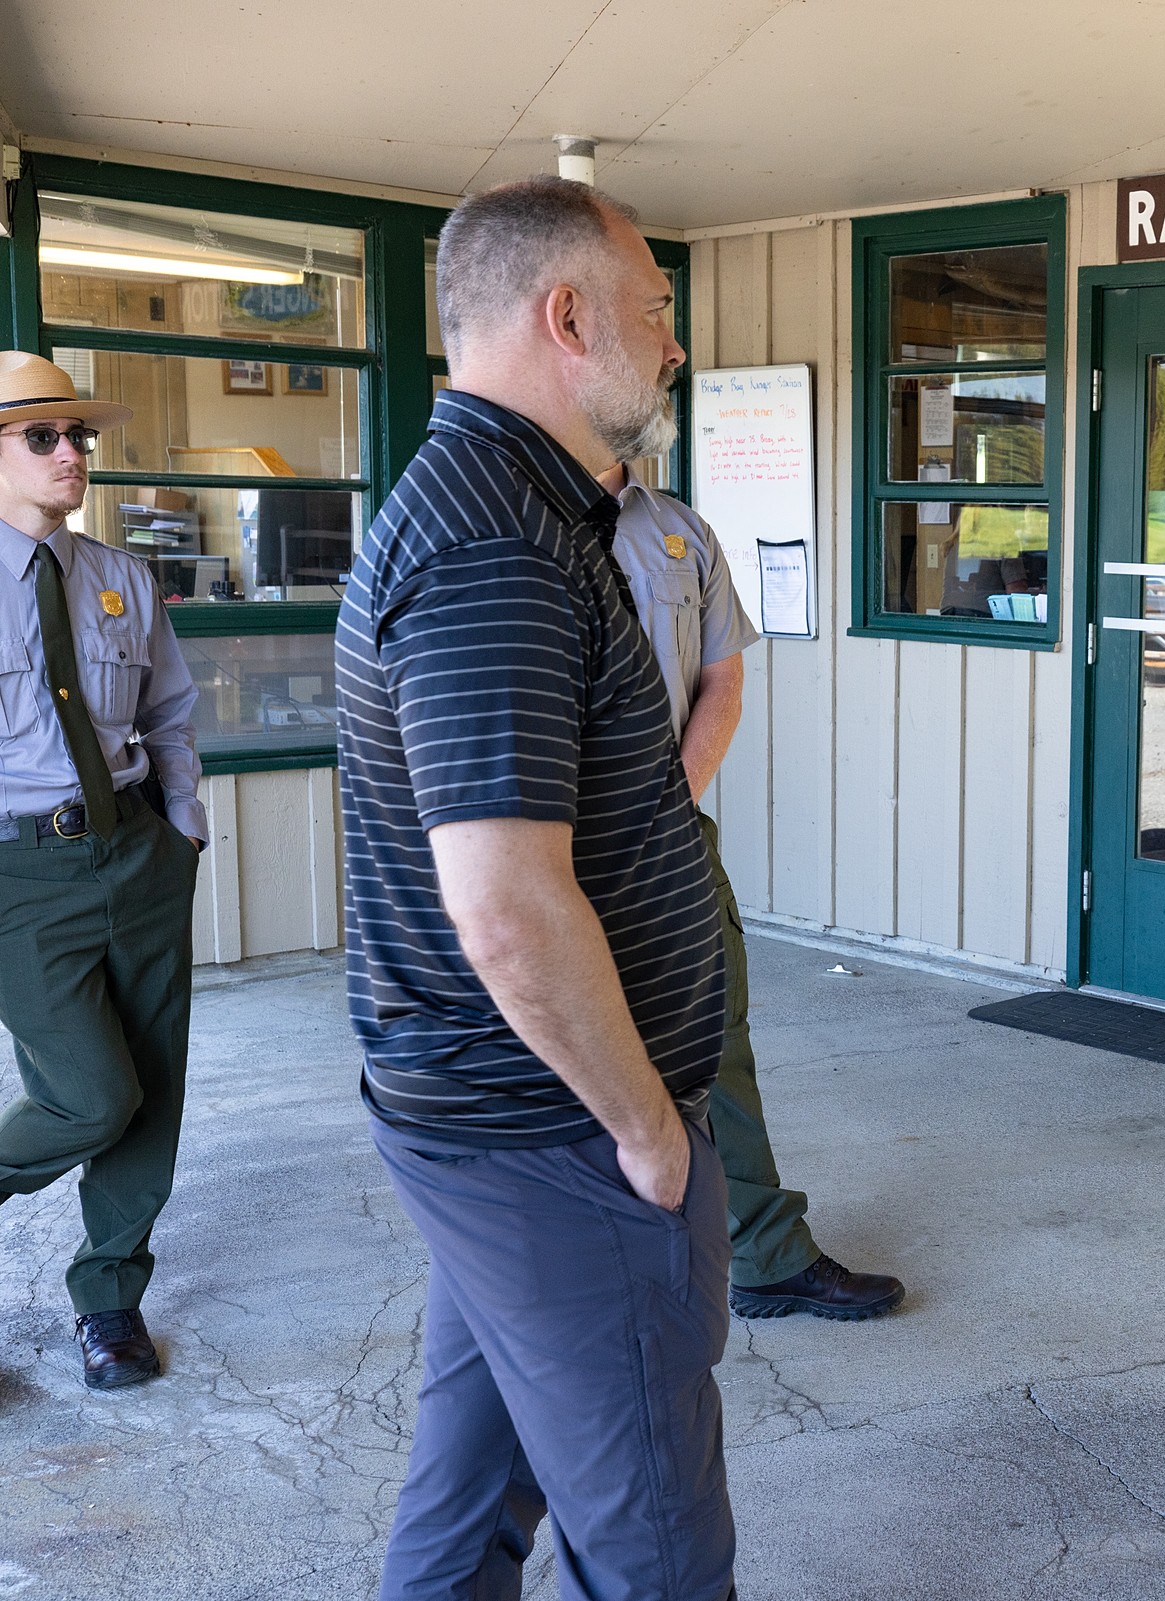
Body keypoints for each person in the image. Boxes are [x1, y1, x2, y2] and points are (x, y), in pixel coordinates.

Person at [337, 176, 737, 1598]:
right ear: (568, 317)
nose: (673, 345)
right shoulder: (495, 544)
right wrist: (646, 1132)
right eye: (656, 310)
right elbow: (505, 905)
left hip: (506, 1132)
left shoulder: (522, 508)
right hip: (556, 1137)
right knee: (659, 1556)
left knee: (466, 1508)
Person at [606, 467, 904, 1320]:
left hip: (670, 833)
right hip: (549, 851)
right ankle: (601, 1266)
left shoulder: (681, 534)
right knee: (563, 1054)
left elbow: (722, 683)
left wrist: (664, 813)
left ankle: (765, 1252)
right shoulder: (505, 518)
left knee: (714, 1039)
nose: (670, 360)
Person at [0, 351, 208, 1391]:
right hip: (20, 875)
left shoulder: (122, 577)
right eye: (41, 436)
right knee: (92, 1094)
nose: (71, 452)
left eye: (77, 434)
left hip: (139, 852)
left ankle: (110, 1295)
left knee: (153, 1088)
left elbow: (169, 715)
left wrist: (184, 833)